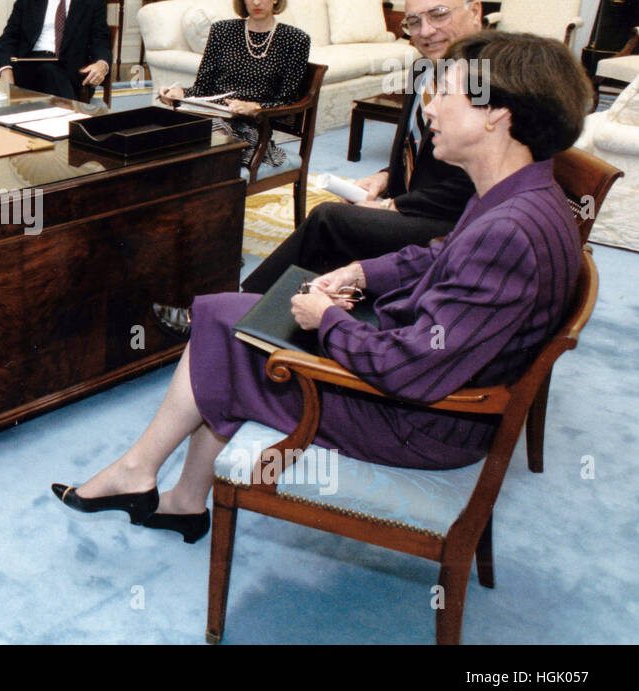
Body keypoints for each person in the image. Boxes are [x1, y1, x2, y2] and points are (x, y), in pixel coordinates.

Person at [53, 31, 589, 544]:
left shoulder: (508, 232)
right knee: (223, 312)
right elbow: (440, 255)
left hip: (418, 421)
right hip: (430, 391)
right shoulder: (519, 193)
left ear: (497, 114)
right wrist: (360, 273)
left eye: (444, 92)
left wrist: (326, 321)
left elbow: (412, 368)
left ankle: (143, 475)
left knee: (224, 332)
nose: (428, 108)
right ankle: (177, 495)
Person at [237, 0, 483, 297]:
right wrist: (384, 177)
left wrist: (393, 207)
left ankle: (245, 307)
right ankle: (284, 312)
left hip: (456, 225)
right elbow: (416, 147)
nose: (426, 32)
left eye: (438, 15)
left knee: (329, 219)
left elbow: (477, 182)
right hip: (413, 203)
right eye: (413, 22)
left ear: (475, 11)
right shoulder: (423, 67)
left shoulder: (484, 76)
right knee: (333, 233)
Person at [151, 0, 310, 334]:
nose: (256, 0)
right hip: (214, 115)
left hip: (257, 130)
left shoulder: (294, 39)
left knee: (205, 141)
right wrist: (179, 92)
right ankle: (183, 234)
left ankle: (212, 248)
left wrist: (257, 107)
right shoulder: (223, 32)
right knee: (169, 128)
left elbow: (290, 99)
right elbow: (203, 86)